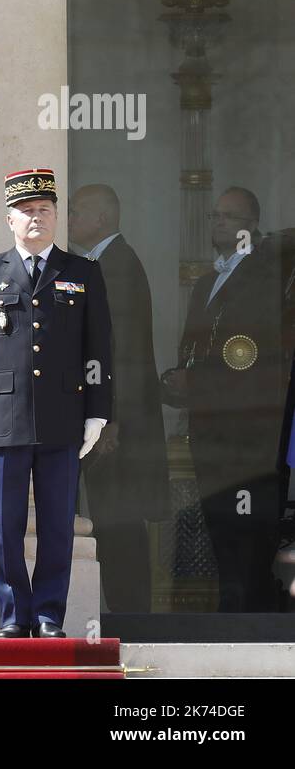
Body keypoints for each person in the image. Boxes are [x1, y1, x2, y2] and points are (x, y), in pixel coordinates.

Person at [0, 168, 112, 638]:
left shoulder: (82, 272)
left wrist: (98, 412)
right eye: (26, 211)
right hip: (4, 416)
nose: (35, 218)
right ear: (9, 219)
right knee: (4, 528)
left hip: (64, 416)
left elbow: (98, 347)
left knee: (58, 525)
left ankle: (47, 615)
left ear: (56, 215)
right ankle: (12, 615)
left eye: (44, 210)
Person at [161, 187, 286, 612]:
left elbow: (258, 363)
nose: (218, 222)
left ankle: (249, 617)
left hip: (250, 433)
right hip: (209, 431)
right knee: (220, 527)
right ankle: (234, 611)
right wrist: (178, 381)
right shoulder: (207, 283)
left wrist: (200, 384)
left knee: (248, 530)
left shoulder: (266, 277)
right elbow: (193, 349)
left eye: (228, 216)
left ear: (252, 226)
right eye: (214, 215)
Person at [68, 184, 168, 613]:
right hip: (110, 422)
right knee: (112, 526)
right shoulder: (104, 262)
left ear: (102, 219)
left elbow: (122, 352)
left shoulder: (117, 265)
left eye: (75, 211)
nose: (68, 218)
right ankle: (127, 620)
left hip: (117, 427)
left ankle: (134, 625)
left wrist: (109, 420)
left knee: (121, 527)